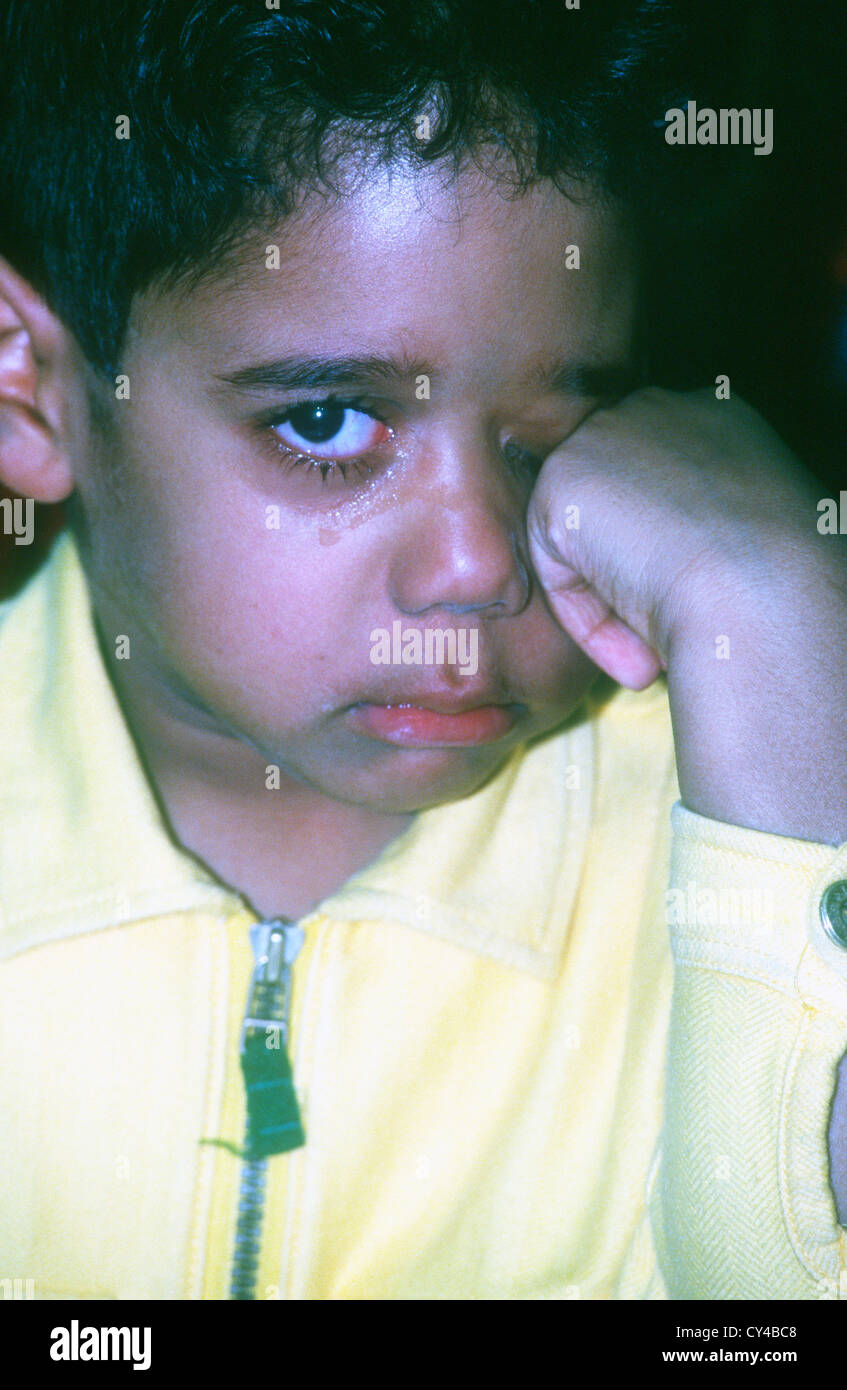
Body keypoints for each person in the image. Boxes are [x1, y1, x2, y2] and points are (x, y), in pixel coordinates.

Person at [0, 0, 844, 1301]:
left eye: (551, 432)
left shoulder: (727, 822)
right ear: (30, 387)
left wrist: (784, 635)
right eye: (331, 420)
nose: (480, 561)